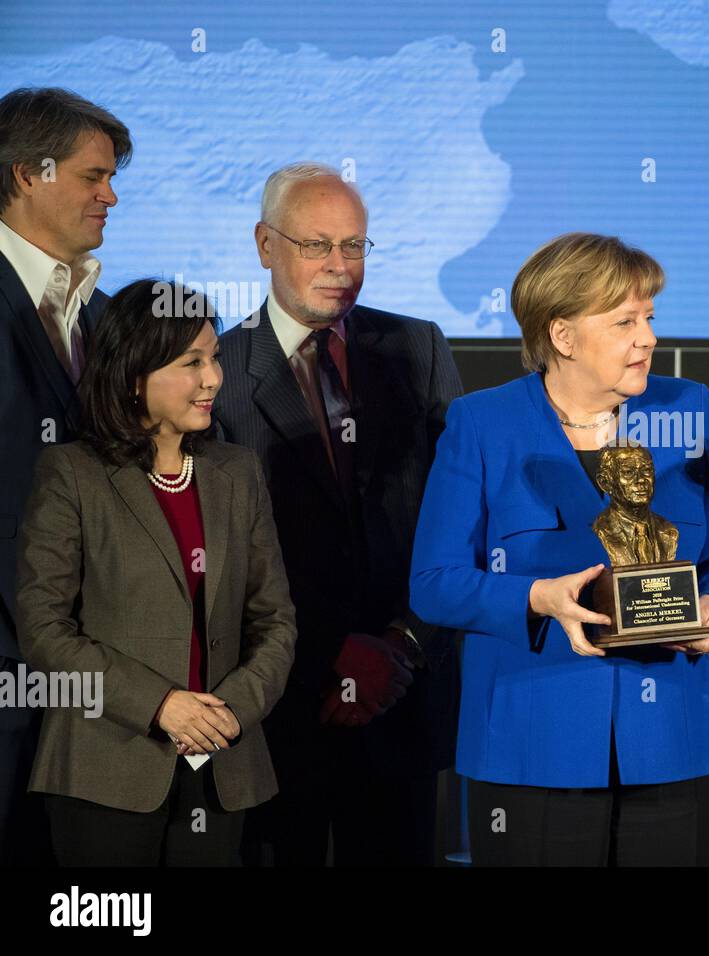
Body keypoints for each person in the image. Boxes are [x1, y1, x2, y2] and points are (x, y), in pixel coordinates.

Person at [409, 232, 709, 866]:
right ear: (563, 336)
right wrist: (538, 597)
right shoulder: (482, 423)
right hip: (532, 746)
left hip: (675, 738)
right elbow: (434, 581)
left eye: (649, 317)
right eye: (625, 321)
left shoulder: (689, 408)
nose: (647, 337)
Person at [213, 162, 463, 865]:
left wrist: (401, 647)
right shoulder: (217, 372)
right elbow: (219, 561)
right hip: (278, 711)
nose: (340, 265)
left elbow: (460, 518)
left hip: (404, 701)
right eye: (316, 245)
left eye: (354, 246)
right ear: (265, 246)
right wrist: (332, 659)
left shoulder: (420, 347)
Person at [15, 279, 296, 866]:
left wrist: (228, 714)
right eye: (192, 362)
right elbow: (44, 630)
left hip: (222, 767)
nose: (213, 378)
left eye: (214, 358)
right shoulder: (73, 472)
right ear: (133, 373)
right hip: (105, 768)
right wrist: (160, 705)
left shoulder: (237, 472)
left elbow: (275, 622)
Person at [0, 86, 131, 866]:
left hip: (94, 683)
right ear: (25, 172)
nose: (110, 196)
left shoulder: (105, 314)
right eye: (92, 177)